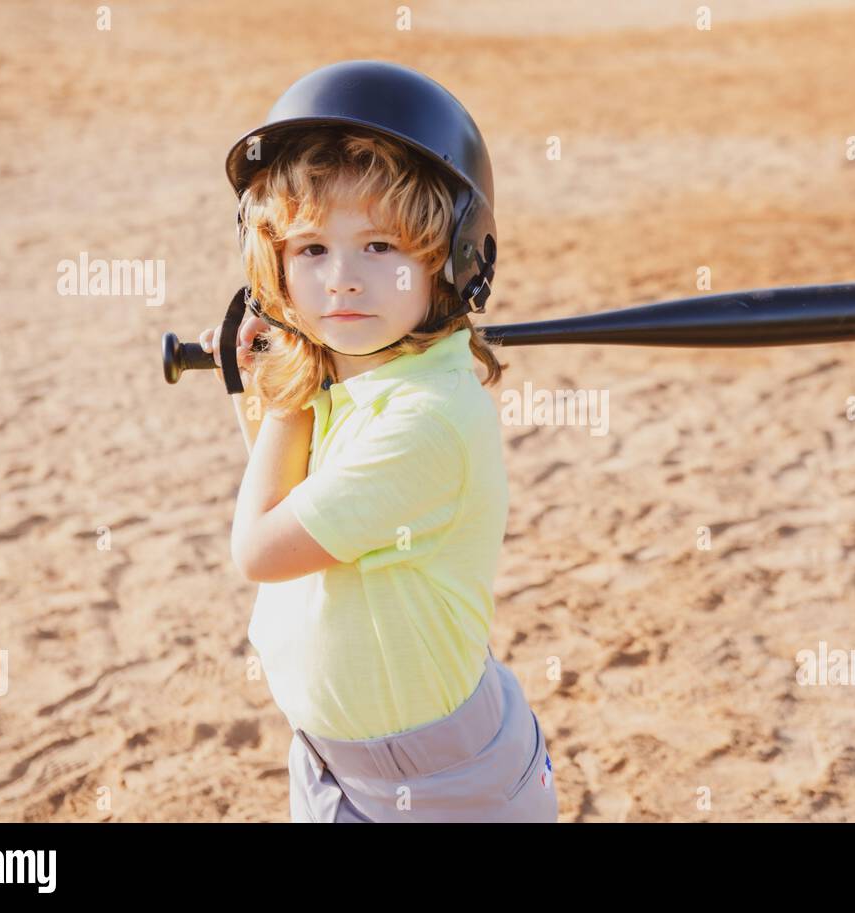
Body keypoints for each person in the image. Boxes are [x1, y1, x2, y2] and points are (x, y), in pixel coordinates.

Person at [198, 61, 556, 823]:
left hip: (436, 786)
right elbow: (295, 494)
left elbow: (260, 546)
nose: (343, 283)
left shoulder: (423, 420)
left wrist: (291, 394)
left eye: (382, 248)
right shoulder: (366, 375)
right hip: (331, 764)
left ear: (454, 257)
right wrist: (271, 381)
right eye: (312, 250)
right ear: (273, 266)